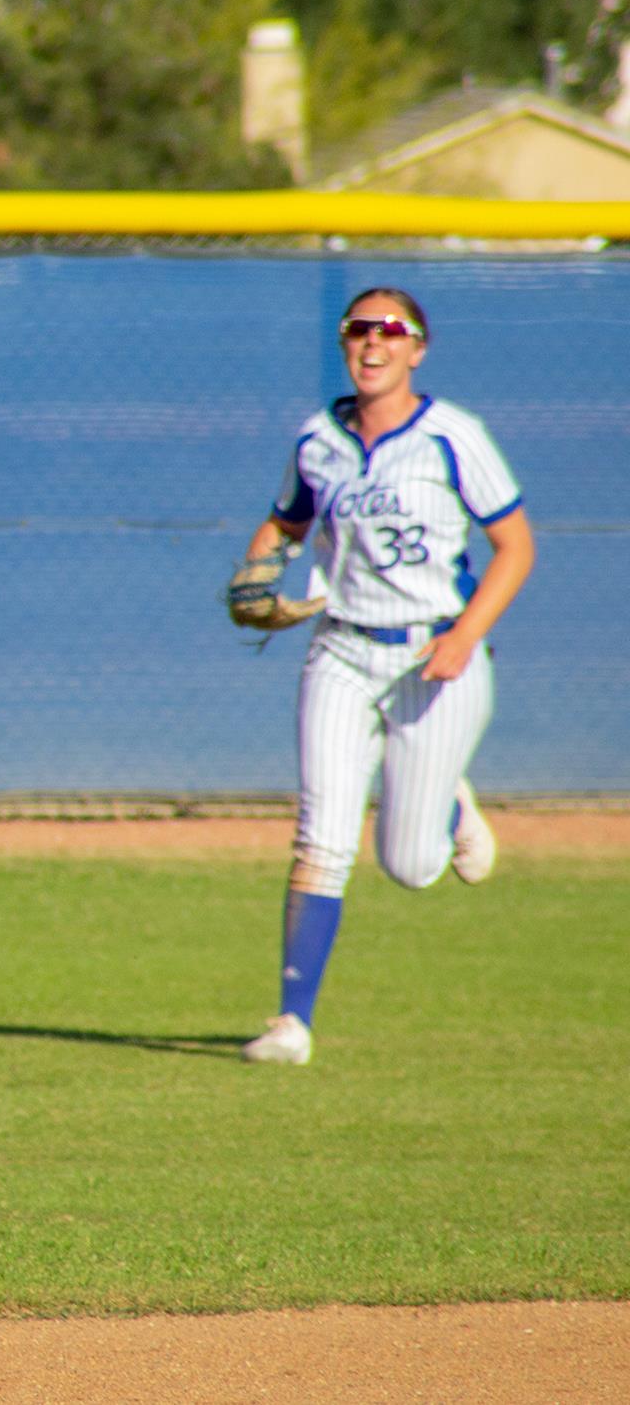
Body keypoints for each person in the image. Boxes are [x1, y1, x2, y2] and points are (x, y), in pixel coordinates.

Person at [237, 287, 534, 1066]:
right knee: (321, 835)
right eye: (359, 330)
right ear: (345, 345)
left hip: (435, 653)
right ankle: (290, 1022)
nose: (373, 343)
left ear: (417, 348)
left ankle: (449, 806)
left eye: (390, 331)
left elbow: (516, 547)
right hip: (341, 647)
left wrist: (467, 636)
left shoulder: (451, 436)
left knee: (409, 866)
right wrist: (259, 567)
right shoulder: (318, 440)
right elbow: (288, 520)